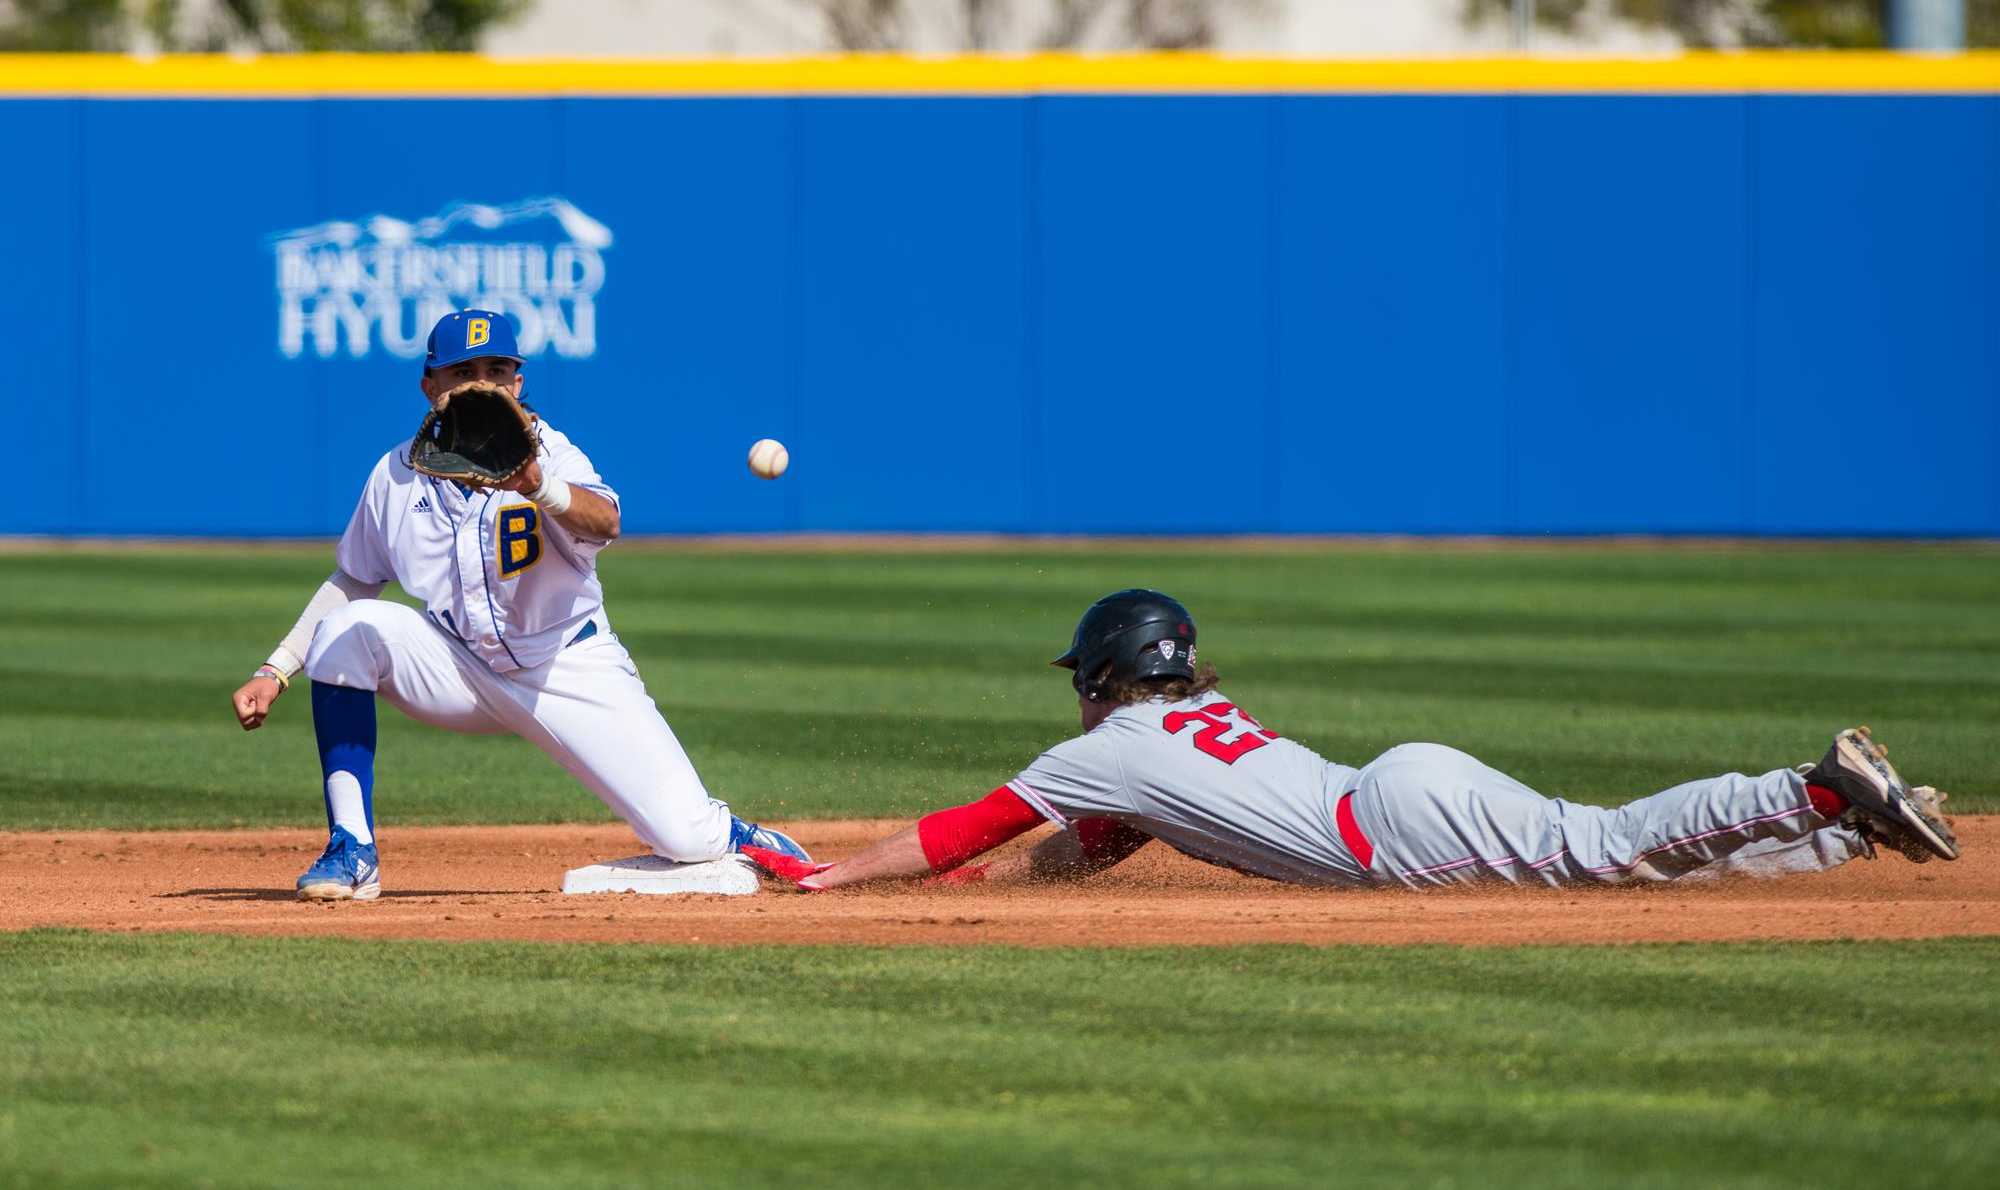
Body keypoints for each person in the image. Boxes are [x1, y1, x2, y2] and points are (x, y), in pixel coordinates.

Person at [759, 589, 1957, 893]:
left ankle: (1809, 794)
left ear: (1110, 677)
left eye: (1086, 681)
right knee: (1598, 854)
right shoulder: (1167, 735)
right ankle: (1843, 840)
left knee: (1604, 849)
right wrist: (1021, 877)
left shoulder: (1104, 746)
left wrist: (830, 877)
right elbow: (1092, 849)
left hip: (1390, 830)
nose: (1079, 701)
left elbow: (952, 833)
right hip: (1399, 786)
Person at [230, 309, 807, 901]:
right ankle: (351, 848)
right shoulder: (395, 475)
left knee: (687, 837)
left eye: (498, 369)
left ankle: (736, 837)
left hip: (566, 664)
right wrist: (276, 668)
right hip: (456, 663)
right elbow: (354, 579)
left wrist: (537, 486)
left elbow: (606, 521)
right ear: (430, 385)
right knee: (351, 627)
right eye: (463, 371)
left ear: (519, 383)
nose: (483, 383)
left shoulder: (549, 456)